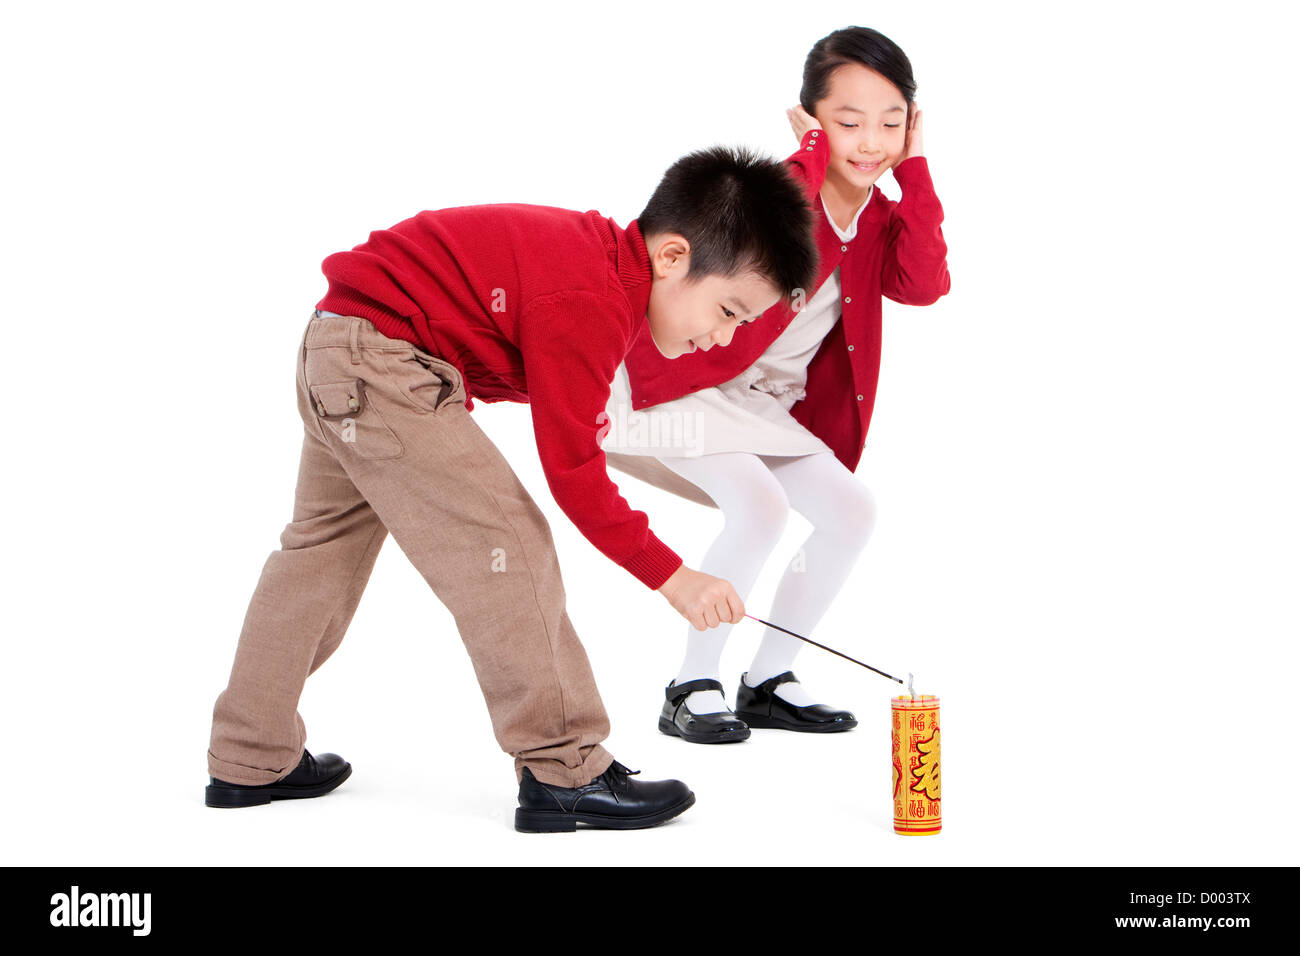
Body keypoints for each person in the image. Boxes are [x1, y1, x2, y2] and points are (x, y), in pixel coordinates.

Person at [202, 142, 819, 832]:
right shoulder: (591, 298)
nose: (724, 335)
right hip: (381, 362)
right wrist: (674, 576)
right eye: (730, 310)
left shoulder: (594, 269)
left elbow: (588, 433)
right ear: (673, 258)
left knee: (321, 549)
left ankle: (250, 755)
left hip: (339, 348)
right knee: (507, 545)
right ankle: (565, 770)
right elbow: (574, 476)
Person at [601, 26, 952, 743]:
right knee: (758, 507)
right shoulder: (774, 191)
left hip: (761, 407)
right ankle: (690, 684)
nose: (869, 141)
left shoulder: (883, 218)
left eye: (891, 122)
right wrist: (812, 161)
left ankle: (766, 680)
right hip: (683, 378)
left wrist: (914, 175)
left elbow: (923, 284)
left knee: (851, 512)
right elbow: (780, 211)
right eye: (848, 121)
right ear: (811, 120)